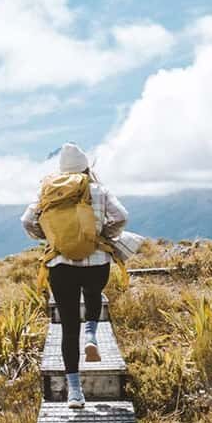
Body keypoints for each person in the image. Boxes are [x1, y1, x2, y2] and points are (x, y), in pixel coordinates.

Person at [21, 143, 128, 408]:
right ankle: (92, 335)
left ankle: (75, 392)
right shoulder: (99, 190)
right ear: (86, 167)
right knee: (93, 295)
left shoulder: (49, 191)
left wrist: (50, 238)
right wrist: (102, 235)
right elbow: (122, 216)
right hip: (96, 263)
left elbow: (27, 221)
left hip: (60, 265)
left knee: (69, 328)